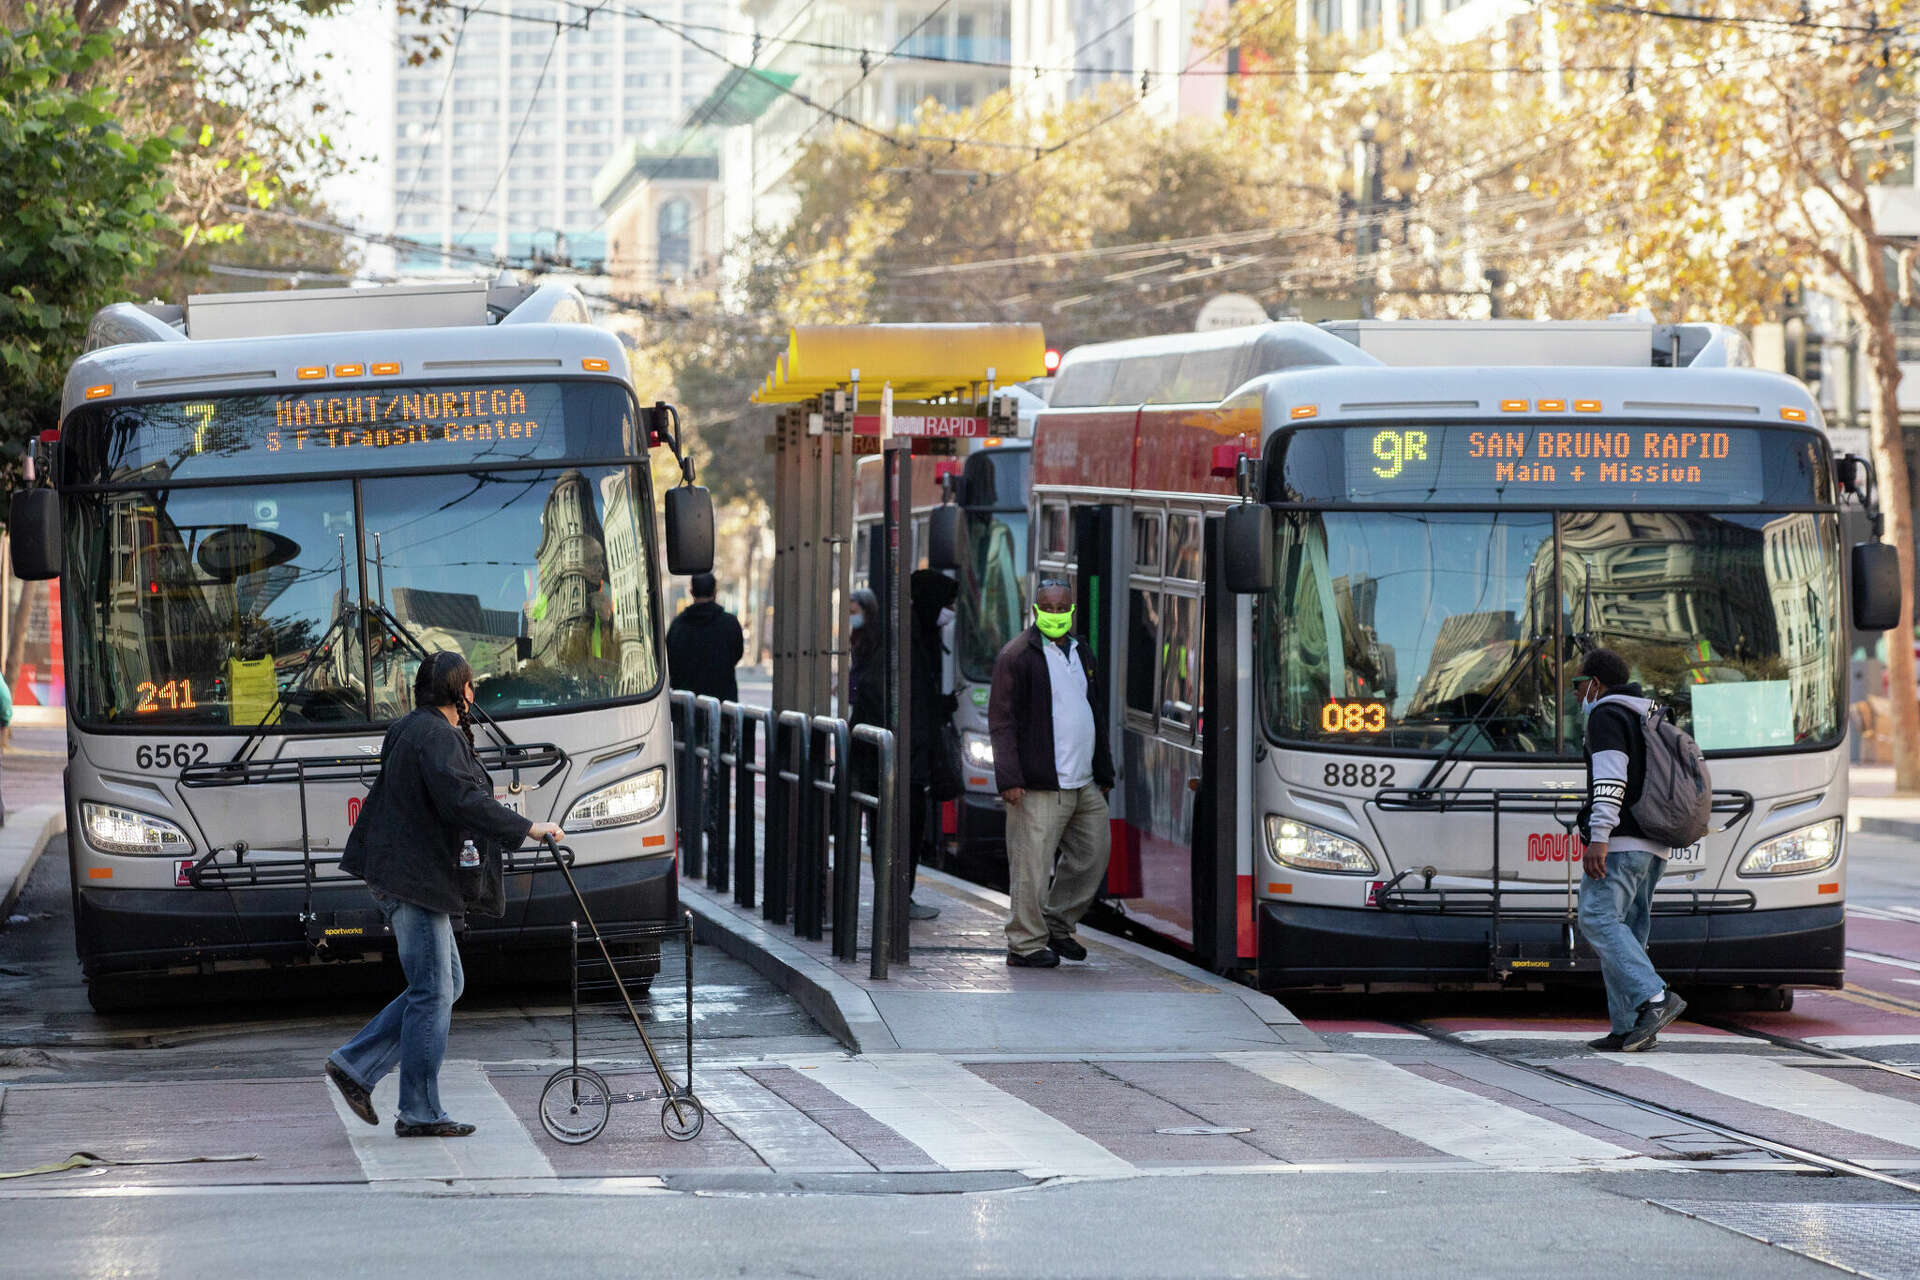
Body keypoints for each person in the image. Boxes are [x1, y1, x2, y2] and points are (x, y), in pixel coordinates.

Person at [325, 652, 564, 1137]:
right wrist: (529, 828)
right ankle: (417, 1109)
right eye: (471, 685)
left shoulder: (413, 726)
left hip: (408, 875)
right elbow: (463, 801)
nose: (475, 694)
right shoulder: (436, 735)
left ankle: (356, 1065)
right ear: (458, 691)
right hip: (414, 881)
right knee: (434, 989)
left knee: (443, 986)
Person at [987, 577, 1114, 967]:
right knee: (1032, 865)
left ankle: (1057, 925)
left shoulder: (1081, 652)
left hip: (1083, 782)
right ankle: (1024, 945)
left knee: (1093, 853)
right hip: (1039, 783)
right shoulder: (1017, 656)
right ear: (1036, 610)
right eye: (1049, 608)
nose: (1056, 614)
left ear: (1072, 610)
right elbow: (1002, 722)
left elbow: (1093, 711)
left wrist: (1103, 770)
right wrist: (1009, 780)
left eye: (1063, 608)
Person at [1575, 647, 1688, 1052]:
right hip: (1654, 841)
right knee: (1630, 931)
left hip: (1621, 840)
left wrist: (1599, 836)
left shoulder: (1607, 713)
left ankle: (1655, 999)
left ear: (1596, 683)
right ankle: (1629, 1026)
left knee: (1597, 917)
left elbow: (1610, 779)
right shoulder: (1649, 713)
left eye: (1578, 684)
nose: (1576, 694)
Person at [666, 572, 745, 703]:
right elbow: (737, 654)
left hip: (687, 708)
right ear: (715, 592)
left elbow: (670, 661)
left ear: (691, 592)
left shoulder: (678, 626)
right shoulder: (730, 623)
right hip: (723, 706)